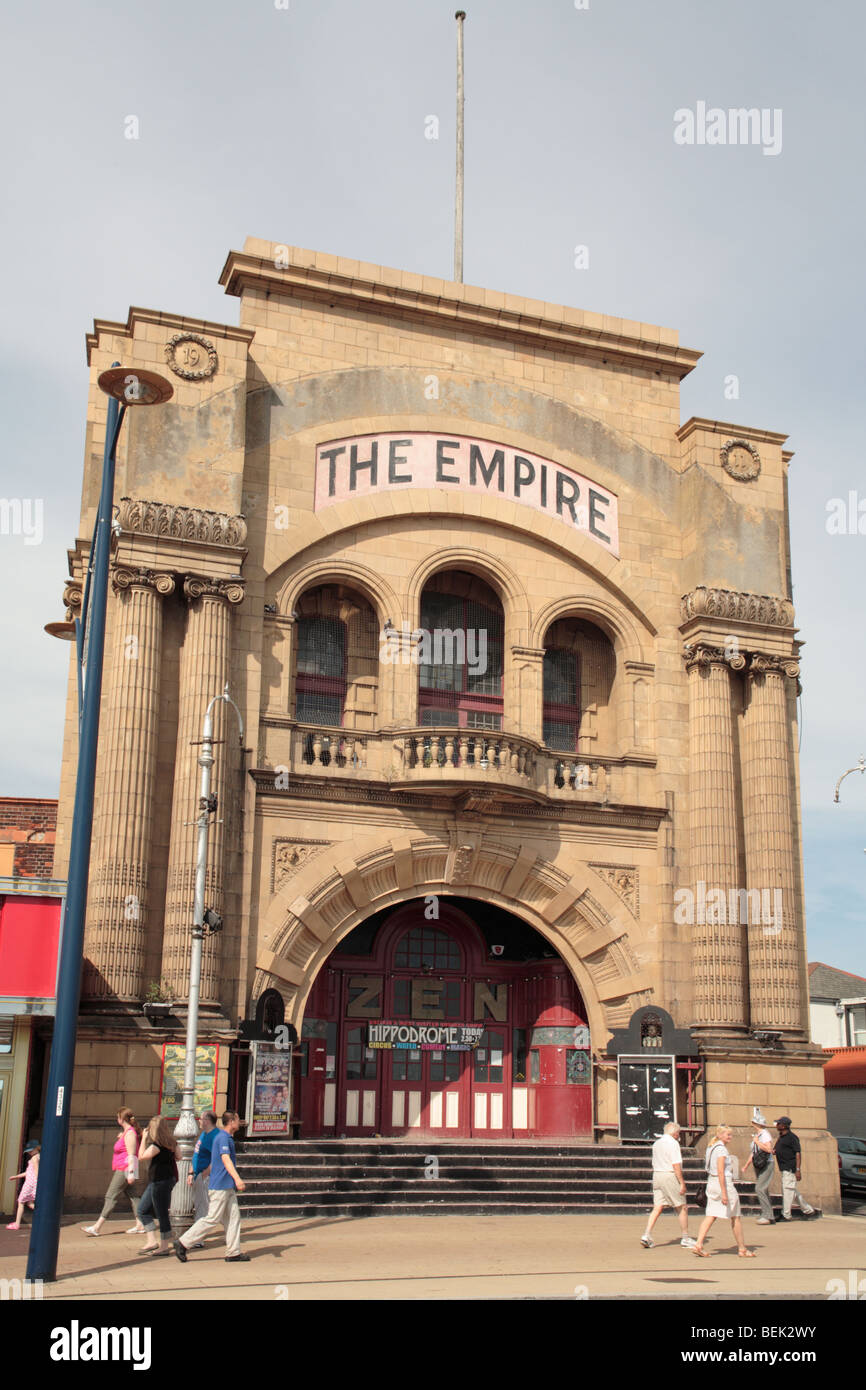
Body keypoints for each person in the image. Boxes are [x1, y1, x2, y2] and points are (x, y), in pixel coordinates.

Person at [173, 1111, 249, 1263]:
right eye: (238, 1119)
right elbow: (225, 1158)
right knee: (212, 1218)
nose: (239, 1122)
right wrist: (238, 1179)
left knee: (233, 1218)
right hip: (221, 1185)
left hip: (226, 1185)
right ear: (231, 1121)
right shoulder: (222, 1138)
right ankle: (183, 1242)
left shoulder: (224, 1137)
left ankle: (233, 1252)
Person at [693, 1124, 755, 1258]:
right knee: (735, 1216)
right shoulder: (721, 1150)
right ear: (720, 1135)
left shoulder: (711, 1147)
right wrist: (725, 1193)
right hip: (723, 1184)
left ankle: (698, 1244)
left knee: (711, 1215)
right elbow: (721, 1171)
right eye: (728, 1135)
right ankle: (742, 1249)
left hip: (712, 1182)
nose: (730, 1137)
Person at [82, 1108, 144, 1237]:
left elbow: (132, 1154)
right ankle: (140, 1224)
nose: (117, 1119)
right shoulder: (127, 1133)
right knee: (133, 1196)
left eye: (118, 1117)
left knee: (111, 1196)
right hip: (126, 1168)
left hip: (125, 1169)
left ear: (121, 1119)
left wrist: (131, 1172)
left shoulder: (129, 1134)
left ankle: (97, 1226)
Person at [640, 1121, 696, 1248]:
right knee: (682, 1206)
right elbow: (676, 1164)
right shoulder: (673, 1144)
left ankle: (646, 1234)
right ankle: (685, 1237)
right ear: (675, 1133)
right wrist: (682, 1183)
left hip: (657, 1175)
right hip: (669, 1175)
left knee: (658, 1206)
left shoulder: (657, 1143)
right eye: (678, 1133)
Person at [136, 1115, 180, 1255]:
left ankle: (164, 1246)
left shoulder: (157, 1146)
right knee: (142, 1209)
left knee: (162, 1214)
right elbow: (180, 1157)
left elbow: (142, 1156)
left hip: (160, 1182)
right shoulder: (173, 1143)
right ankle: (151, 1241)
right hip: (162, 1180)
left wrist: (143, 1138)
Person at [774, 1116, 817, 1220]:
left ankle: (786, 1214)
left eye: (779, 1123)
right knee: (792, 1191)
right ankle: (809, 1210)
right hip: (784, 1167)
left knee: (788, 1191)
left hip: (790, 1168)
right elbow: (776, 1149)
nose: (777, 1125)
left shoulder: (792, 1137)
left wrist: (798, 1170)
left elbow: (798, 1153)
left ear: (784, 1126)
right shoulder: (781, 1137)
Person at [742, 1107, 775, 1225]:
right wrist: (746, 1165)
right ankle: (768, 1214)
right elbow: (754, 1152)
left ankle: (767, 1215)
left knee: (760, 1188)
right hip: (759, 1164)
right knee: (763, 1189)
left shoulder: (764, 1135)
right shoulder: (758, 1135)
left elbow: (769, 1149)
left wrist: (757, 1142)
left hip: (767, 1163)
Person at [188, 1111, 219, 1230]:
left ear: (207, 1120)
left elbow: (216, 1157)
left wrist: (206, 1173)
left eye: (201, 1119)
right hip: (198, 1174)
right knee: (201, 1205)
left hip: (205, 1175)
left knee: (202, 1207)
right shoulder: (204, 1134)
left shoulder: (214, 1135)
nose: (199, 1121)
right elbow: (196, 1154)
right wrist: (191, 1172)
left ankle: (198, 1237)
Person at [6, 1141, 39, 1230]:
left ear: (37, 1148)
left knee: (21, 1202)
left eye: (31, 1150)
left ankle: (17, 1224)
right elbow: (29, 1172)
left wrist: (37, 1183)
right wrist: (16, 1176)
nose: (29, 1152)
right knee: (30, 1203)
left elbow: (36, 1171)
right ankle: (44, 1214)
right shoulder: (38, 1157)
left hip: (30, 1184)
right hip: (33, 1184)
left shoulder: (34, 1159)